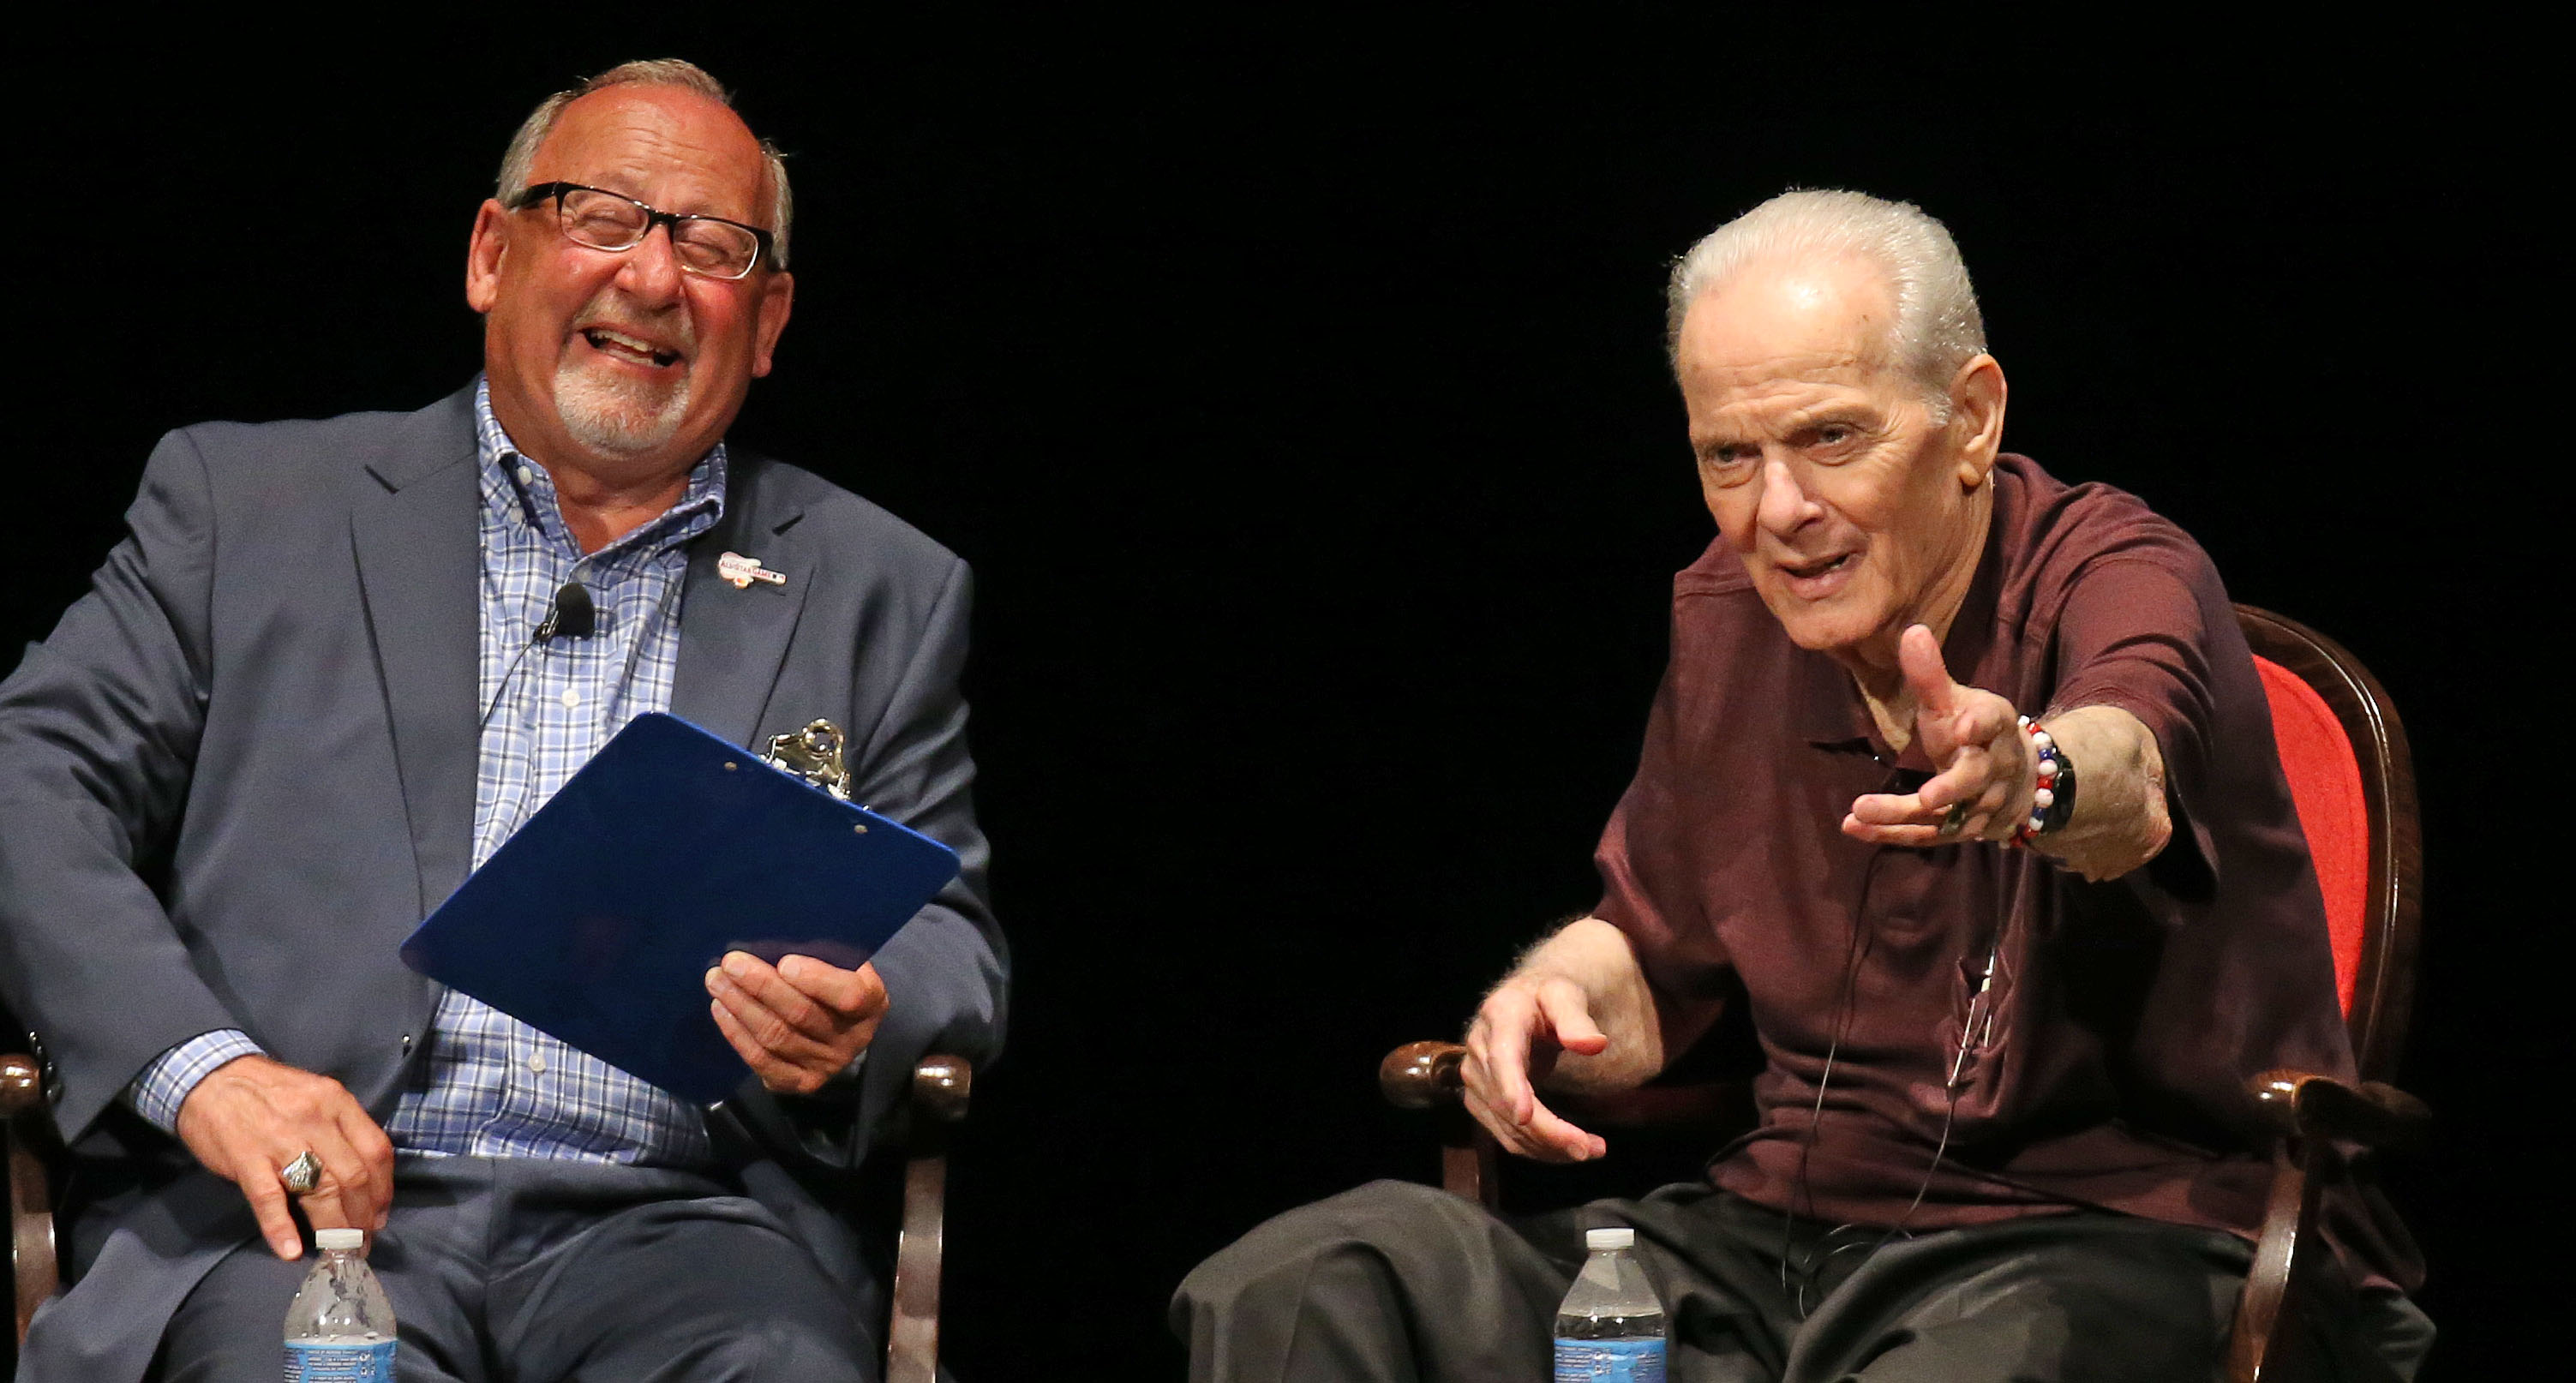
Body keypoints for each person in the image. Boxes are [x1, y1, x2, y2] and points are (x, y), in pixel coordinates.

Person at [1174, 191, 2427, 1381]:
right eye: (1729, 455)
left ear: (1972, 417)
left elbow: (2127, 768)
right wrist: (1551, 992)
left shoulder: (2119, 571)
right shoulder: (1725, 617)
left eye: (1830, 437)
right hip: (1777, 1237)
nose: (1779, 510)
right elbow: (1651, 952)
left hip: (2118, 1238)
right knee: (1305, 1278)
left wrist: (2028, 775)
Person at [0, 59, 1004, 1382]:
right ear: (490, 252)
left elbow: (950, 931)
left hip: (686, 1231)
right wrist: (210, 1071)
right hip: (303, 1226)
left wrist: (868, 1007)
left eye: (713, 247)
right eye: (599, 215)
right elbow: (29, 783)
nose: (652, 281)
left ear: (765, 323)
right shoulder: (247, 507)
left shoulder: (880, 583)